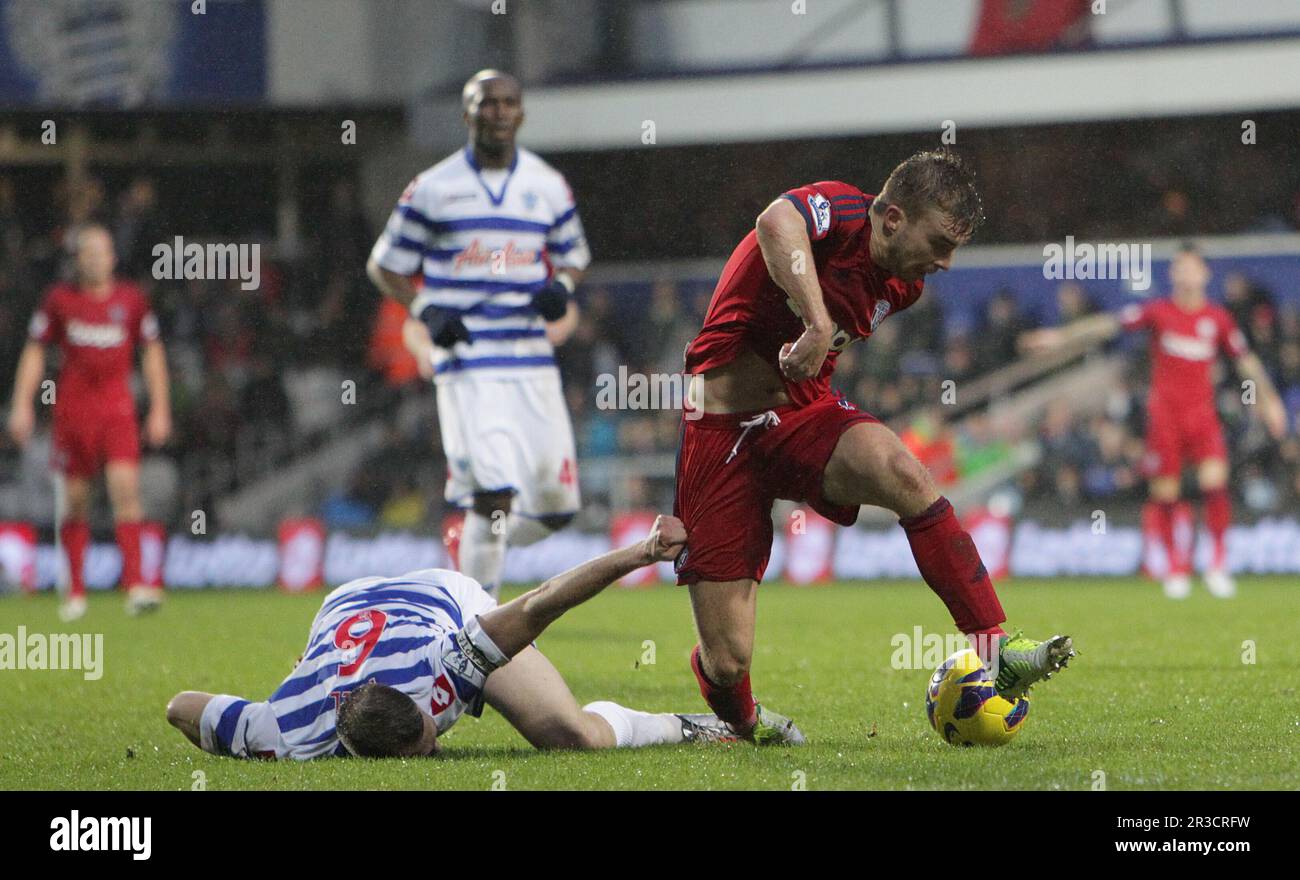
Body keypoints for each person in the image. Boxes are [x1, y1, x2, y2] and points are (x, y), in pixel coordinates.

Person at [674, 150, 1073, 743]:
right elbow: (775, 225)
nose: (945, 262)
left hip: (800, 415)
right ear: (891, 218)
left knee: (905, 474)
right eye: (939, 242)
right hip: (719, 428)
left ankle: (995, 649)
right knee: (728, 661)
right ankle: (743, 720)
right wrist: (814, 322)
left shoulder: (902, 286)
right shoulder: (841, 210)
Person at [165, 516, 738, 759]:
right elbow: (177, 708)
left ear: (425, 706)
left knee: (570, 734)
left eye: (429, 736)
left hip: (442, 601)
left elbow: (541, 602)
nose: (438, 746)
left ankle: (689, 726)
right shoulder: (289, 727)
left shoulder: (445, 666)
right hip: (343, 607)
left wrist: (640, 553)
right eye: (426, 751)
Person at [367, 69, 586, 599]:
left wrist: (561, 284)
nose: (499, 112)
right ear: (467, 114)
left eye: (509, 103)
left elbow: (575, 255)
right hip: (468, 363)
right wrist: (424, 307)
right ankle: (472, 627)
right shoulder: (433, 187)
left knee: (558, 509)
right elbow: (384, 265)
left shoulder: (547, 185)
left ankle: (474, 553)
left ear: (522, 113)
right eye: (487, 104)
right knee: (492, 495)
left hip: (531, 359)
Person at [1022, 246, 1288, 598]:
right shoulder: (1158, 312)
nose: (1184, 274)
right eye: (1179, 267)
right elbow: (1109, 324)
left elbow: (1246, 363)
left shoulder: (1218, 319)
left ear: (1205, 275)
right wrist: (1061, 336)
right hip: (1166, 418)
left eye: (1191, 268)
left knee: (1215, 484)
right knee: (1166, 493)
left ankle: (1217, 564)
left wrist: (1270, 403)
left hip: (1203, 417)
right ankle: (1176, 567)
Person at [6, 224, 171, 620]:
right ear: (78, 259)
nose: (96, 259)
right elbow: (34, 351)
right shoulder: (59, 300)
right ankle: (75, 590)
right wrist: (22, 404)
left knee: (125, 490)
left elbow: (152, 354)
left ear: (113, 257)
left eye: (103, 251)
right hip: (73, 413)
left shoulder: (132, 301)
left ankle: (134, 585)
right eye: (89, 252)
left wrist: (161, 408)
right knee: (76, 502)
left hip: (117, 410)